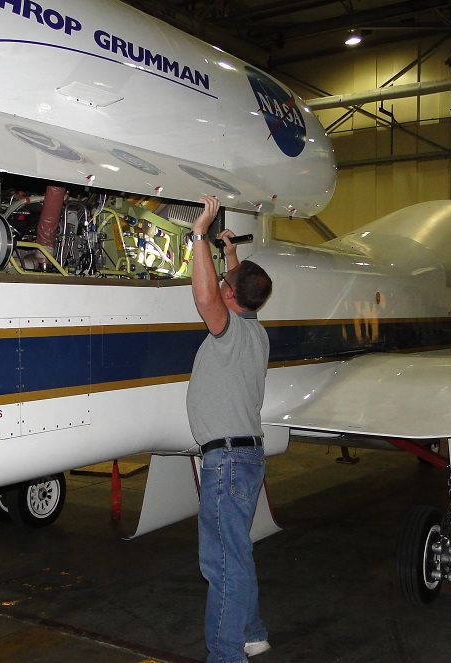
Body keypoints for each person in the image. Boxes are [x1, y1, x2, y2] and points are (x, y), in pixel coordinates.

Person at [186, 195, 274, 663]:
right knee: (237, 554)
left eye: (225, 282)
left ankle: (225, 656)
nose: (220, 286)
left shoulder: (228, 330)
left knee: (222, 563)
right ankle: (253, 633)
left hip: (226, 463)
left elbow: (205, 297)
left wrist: (200, 233)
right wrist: (229, 252)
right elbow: (237, 288)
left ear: (229, 295)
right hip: (246, 457)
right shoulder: (255, 330)